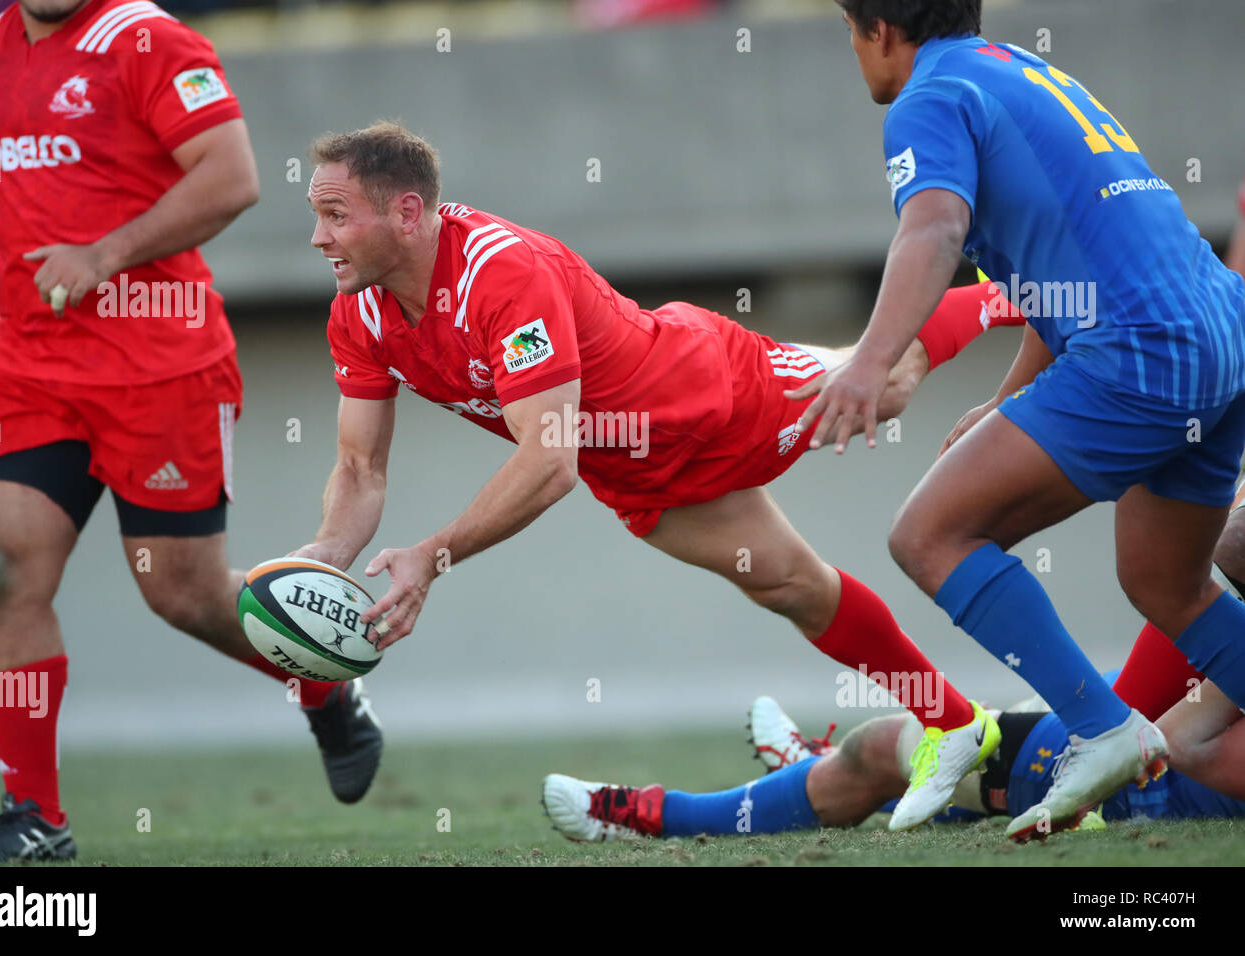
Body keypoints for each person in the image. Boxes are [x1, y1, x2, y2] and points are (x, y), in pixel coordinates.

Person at [292, 121, 1031, 832]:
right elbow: (359, 467)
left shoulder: (500, 271)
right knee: (791, 586)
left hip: (711, 398)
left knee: (885, 377)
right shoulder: (358, 314)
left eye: (335, 215)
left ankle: (1027, 290)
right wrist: (325, 556)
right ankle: (954, 722)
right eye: (316, 216)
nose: (319, 236)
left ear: (408, 211)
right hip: (637, 476)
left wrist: (433, 556)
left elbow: (549, 465)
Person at [792, 0, 1245, 839]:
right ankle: (1103, 727)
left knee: (927, 535)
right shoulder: (1024, 71)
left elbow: (933, 226)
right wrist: (1004, 405)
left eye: (848, 34)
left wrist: (868, 358)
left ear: (880, 31)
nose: (855, 55)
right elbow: (1059, 268)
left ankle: (1102, 729)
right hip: (1224, 333)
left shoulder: (930, 97)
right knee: (1165, 582)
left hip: (1143, 349)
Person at [0, 0, 378, 866]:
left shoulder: (146, 38)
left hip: (162, 369)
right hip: (31, 368)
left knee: (181, 594)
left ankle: (319, 682)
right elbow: (1, 174)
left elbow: (232, 177)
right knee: (5, 566)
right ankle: (33, 817)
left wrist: (102, 255)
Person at [541, 690, 1245, 843]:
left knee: (889, 743)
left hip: (1142, 781)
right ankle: (814, 777)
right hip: (1153, 759)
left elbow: (1180, 738)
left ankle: (659, 818)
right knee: (956, 741)